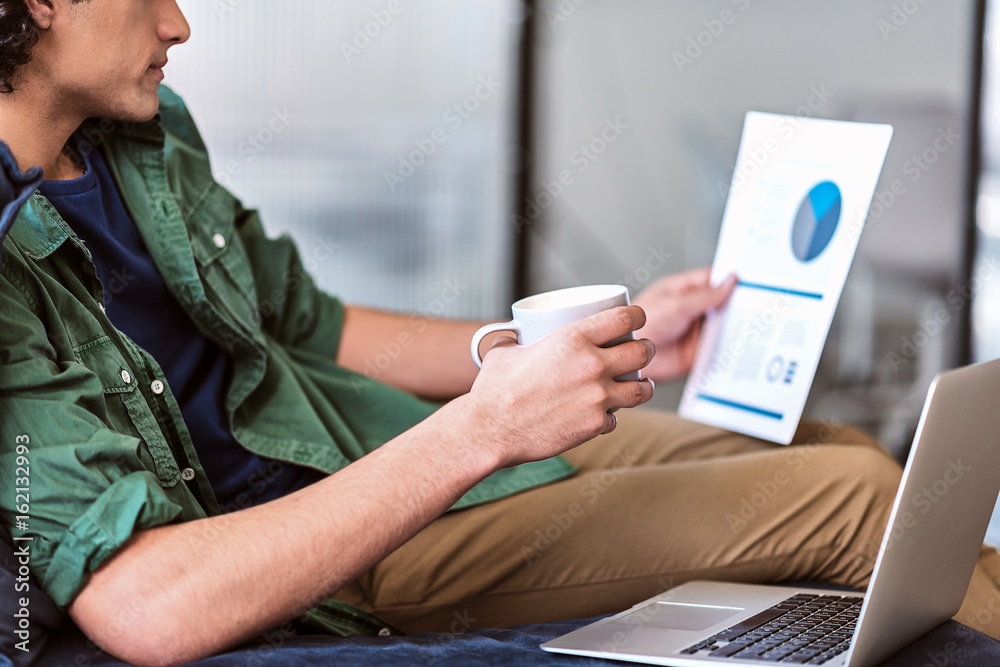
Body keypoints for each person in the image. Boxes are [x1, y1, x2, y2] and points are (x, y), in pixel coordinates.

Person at [3, 2, 1000, 666]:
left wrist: (551, 353)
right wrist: (485, 428)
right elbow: (148, 605)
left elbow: (312, 327)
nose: (179, 21)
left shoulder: (142, 131)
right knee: (858, 501)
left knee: (836, 446)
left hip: (364, 435)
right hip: (335, 541)